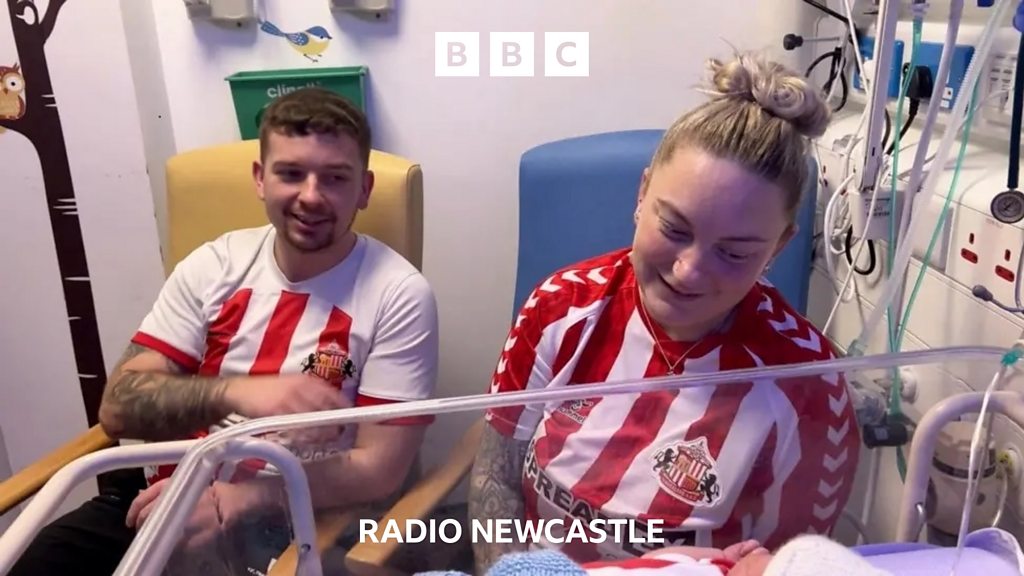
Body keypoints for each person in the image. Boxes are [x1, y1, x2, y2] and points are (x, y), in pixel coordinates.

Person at [10, 87, 439, 576]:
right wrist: (239, 393)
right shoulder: (215, 264)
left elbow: (380, 468)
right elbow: (119, 407)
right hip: (157, 500)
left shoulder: (398, 294)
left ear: (364, 188)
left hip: (291, 519)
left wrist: (237, 499)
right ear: (260, 179)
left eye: (335, 178)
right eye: (291, 173)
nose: (311, 196)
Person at [468, 51, 861, 572]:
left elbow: (790, 565)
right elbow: (496, 475)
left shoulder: (809, 388)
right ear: (641, 193)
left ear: (779, 247)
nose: (689, 271)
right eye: (674, 229)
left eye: (735, 253)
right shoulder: (562, 306)